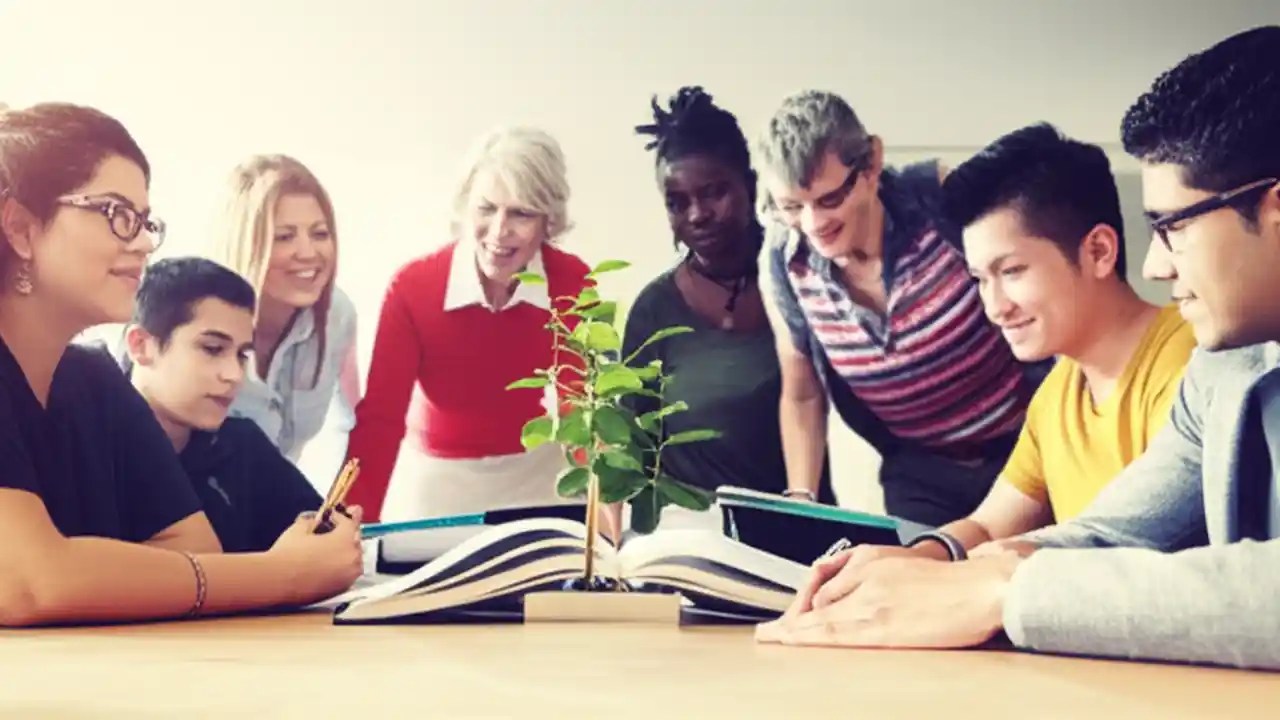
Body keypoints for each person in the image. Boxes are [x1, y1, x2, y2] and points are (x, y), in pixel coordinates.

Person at [756, 25, 1280, 671]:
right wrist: (932, 569)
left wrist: (1001, 591)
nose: (1159, 268)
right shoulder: (1225, 367)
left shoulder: (1180, 356)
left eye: (1174, 228)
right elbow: (1106, 532)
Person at [0, 102, 360, 626]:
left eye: (146, 222)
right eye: (117, 214)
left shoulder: (97, 382)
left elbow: (196, 550)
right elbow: (26, 583)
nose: (144, 242)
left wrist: (79, 570)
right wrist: (283, 573)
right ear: (20, 228)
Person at [801, 123, 1195, 570]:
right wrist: (896, 563)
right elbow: (988, 526)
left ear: (1100, 251)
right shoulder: (1058, 390)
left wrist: (997, 563)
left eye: (1011, 272)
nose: (994, 308)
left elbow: (1143, 551)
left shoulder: (1187, 366)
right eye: (979, 280)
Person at [755, 91, 1049, 526]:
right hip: (920, 473)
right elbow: (802, 392)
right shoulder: (785, 261)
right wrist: (803, 500)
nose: (814, 223)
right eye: (792, 207)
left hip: (1024, 445)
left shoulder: (938, 198)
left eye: (830, 199)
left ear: (871, 164)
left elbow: (1041, 294)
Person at [345, 128, 592, 522]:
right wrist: (352, 528)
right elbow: (381, 420)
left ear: (549, 221)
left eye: (521, 213)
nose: (499, 231)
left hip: (539, 477)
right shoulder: (413, 287)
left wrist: (606, 516)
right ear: (465, 208)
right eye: (486, 208)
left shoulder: (572, 281)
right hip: (442, 481)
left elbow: (581, 409)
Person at [623, 86, 835, 517]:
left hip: (792, 532)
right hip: (683, 542)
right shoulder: (654, 311)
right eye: (677, 203)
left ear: (751, 185)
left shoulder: (805, 279)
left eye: (713, 192)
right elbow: (628, 451)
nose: (697, 214)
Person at [122, 257, 324, 553]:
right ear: (141, 345)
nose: (234, 375)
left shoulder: (242, 444)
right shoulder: (91, 451)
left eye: (242, 355)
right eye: (212, 349)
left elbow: (324, 533)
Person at [210, 154, 361, 469]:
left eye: (320, 234)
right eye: (284, 237)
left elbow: (347, 424)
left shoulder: (338, 315)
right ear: (245, 243)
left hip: (279, 503)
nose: (308, 253)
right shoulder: (193, 321)